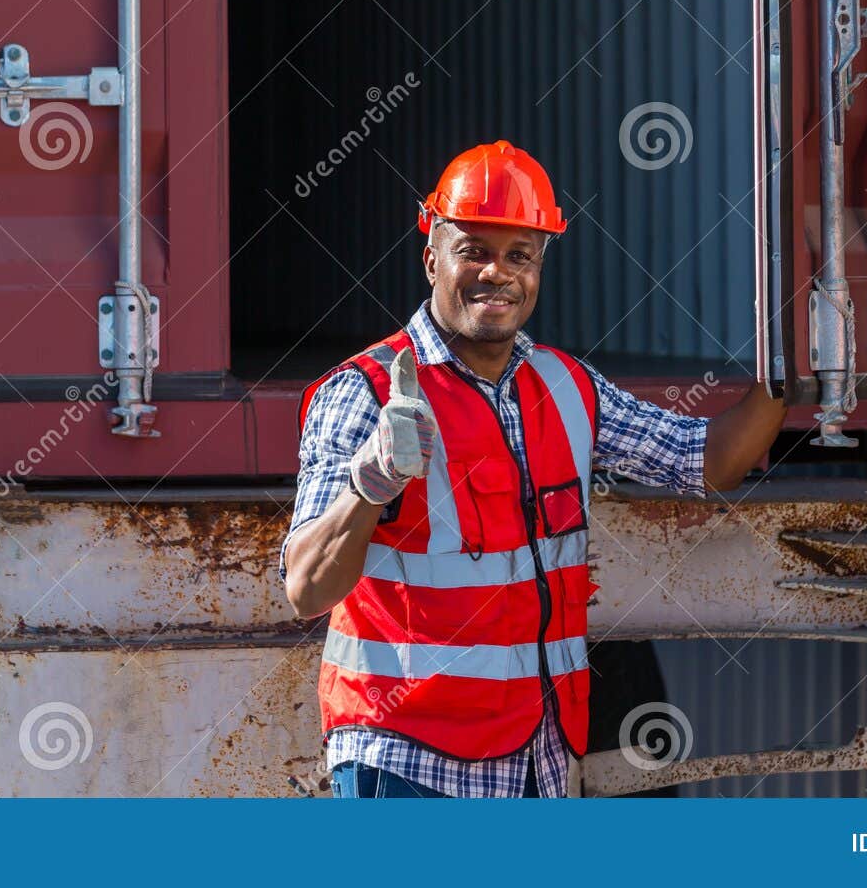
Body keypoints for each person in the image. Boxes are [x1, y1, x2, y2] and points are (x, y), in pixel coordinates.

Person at [281, 140, 786, 797]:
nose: (498, 273)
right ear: (431, 254)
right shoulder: (368, 390)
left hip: (535, 756)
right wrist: (370, 481)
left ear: (540, 266)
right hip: (407, 759)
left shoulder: (569, 386)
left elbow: (710, 459)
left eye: (519, 254)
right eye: (474, 251)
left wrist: (792, 366)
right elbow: (307, 587)